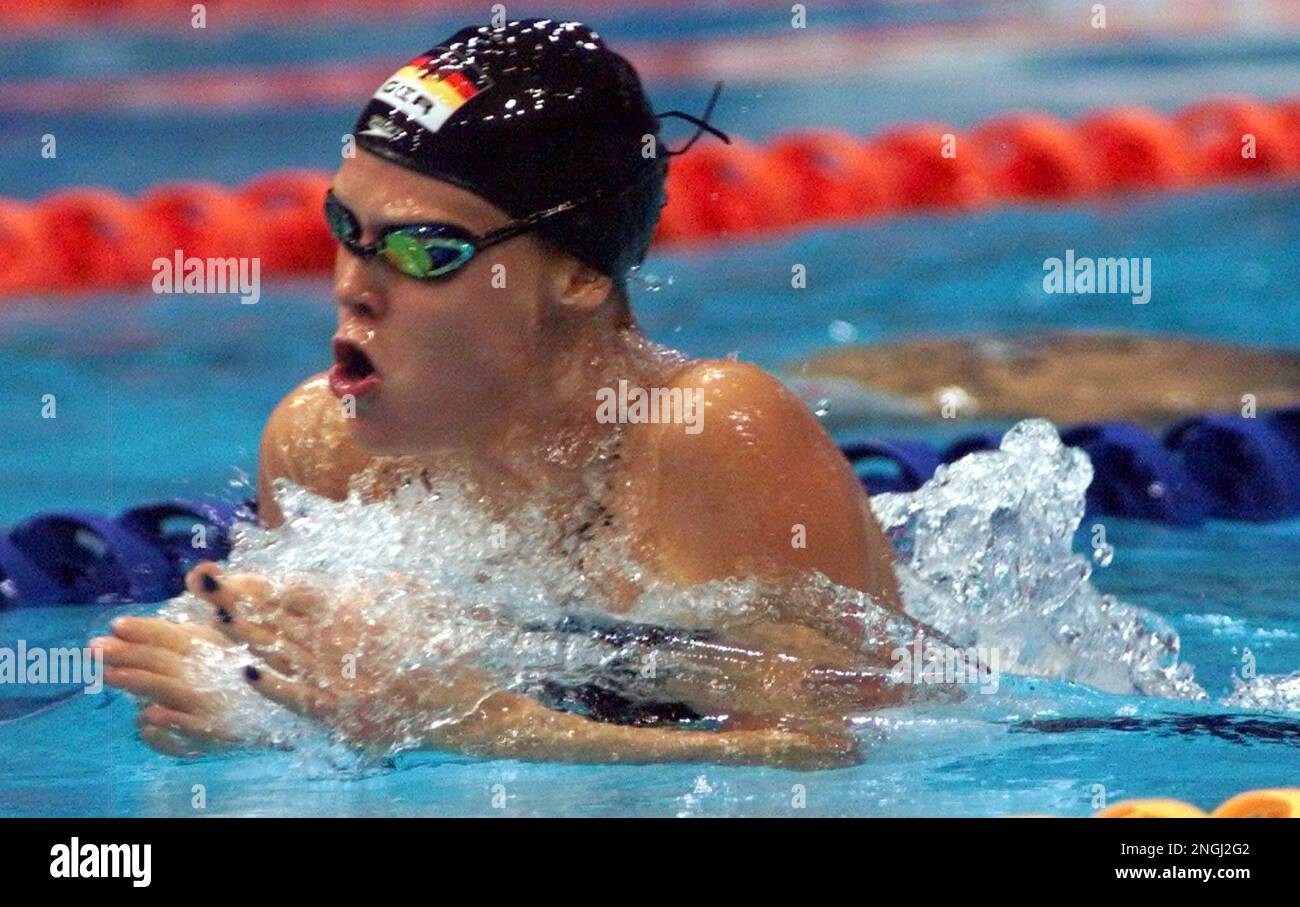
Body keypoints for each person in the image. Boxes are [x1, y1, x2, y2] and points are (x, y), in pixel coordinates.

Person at [95, 18, 903, 769]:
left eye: (425, 251)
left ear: (579, 275)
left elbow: (840, 757)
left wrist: (485, 724)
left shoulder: (701, 433)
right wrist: (247, 719)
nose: (353, 286)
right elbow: (361, 737)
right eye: (346, 228)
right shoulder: (322, 447)